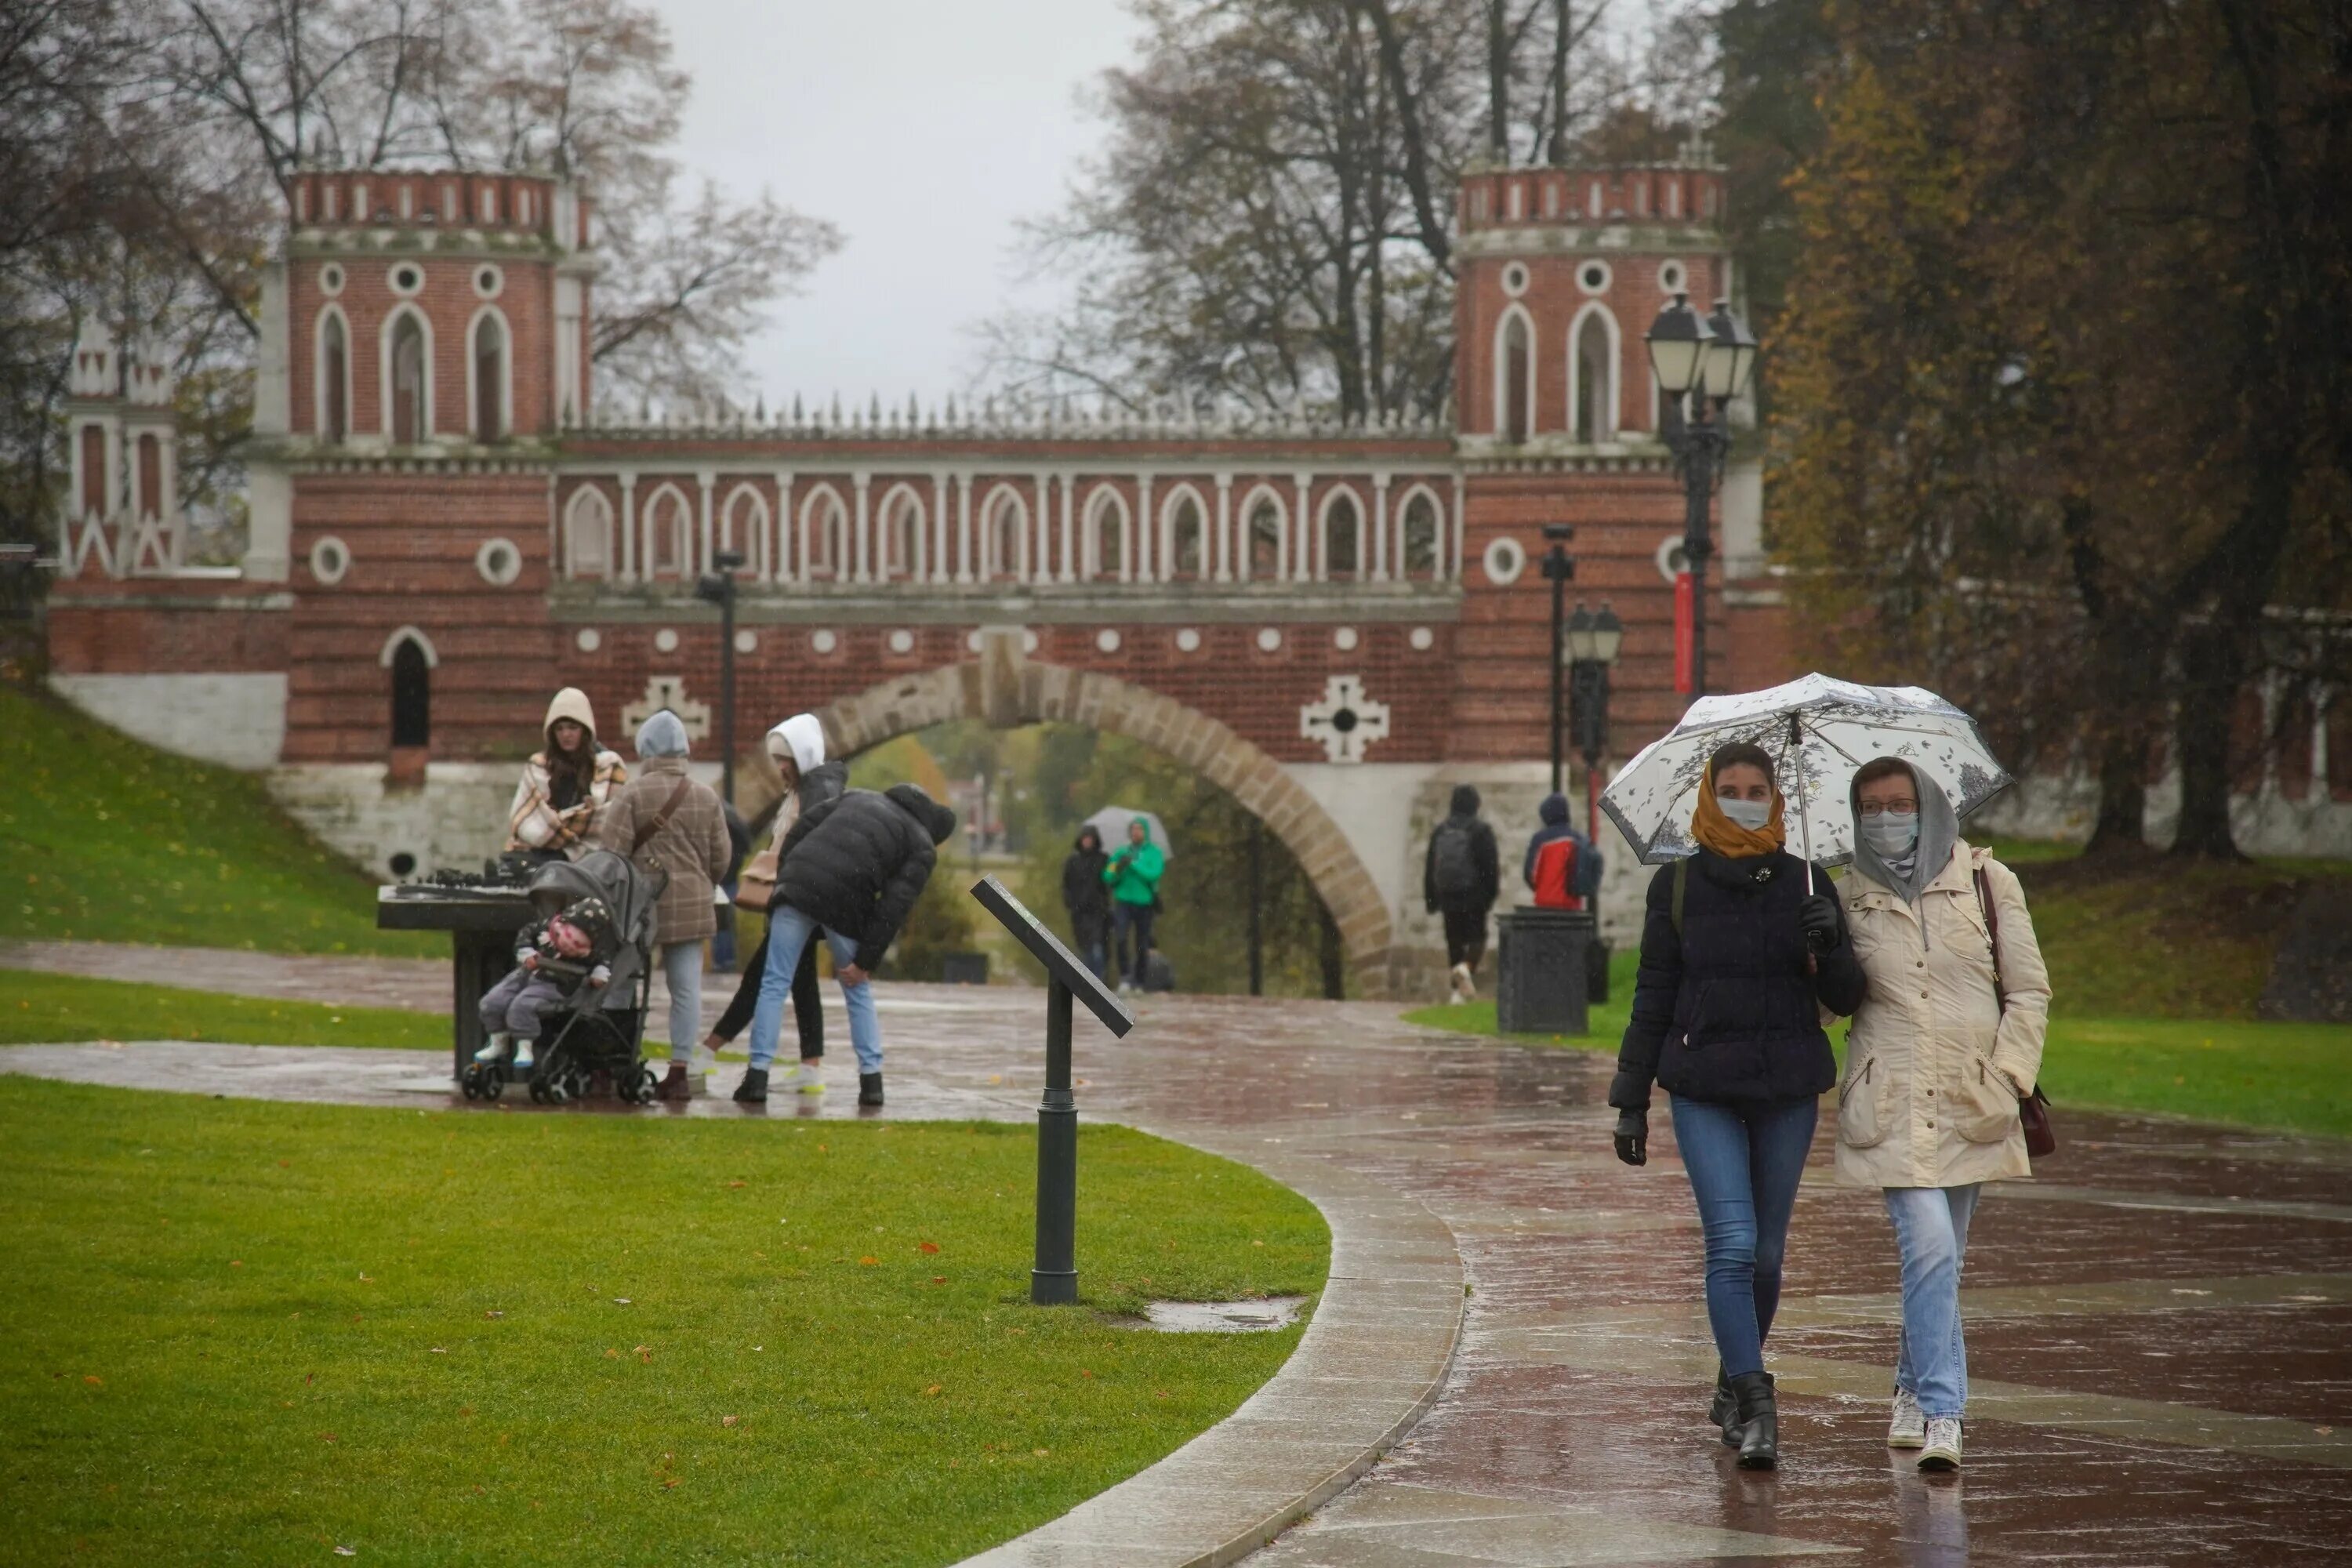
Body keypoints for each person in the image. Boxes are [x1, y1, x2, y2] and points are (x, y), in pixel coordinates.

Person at [1606, 742, 1865, 1470]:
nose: (1744, 799)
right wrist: (1631, 1102)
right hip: (1703, 1088)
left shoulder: (1809, 882)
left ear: (1778, 798)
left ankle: (1732, 1377)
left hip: (1787, 1086)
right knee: (1732, 1242)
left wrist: (1832, 944)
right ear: (1708, 796)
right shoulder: (1679, 887)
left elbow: (1847, 998)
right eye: (1730, 789)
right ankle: (1757, 1403)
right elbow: (1653, 994)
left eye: (1757, 789)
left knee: (1768, 1252)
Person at [1836, 756, 2049, 1474]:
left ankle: (1906, 1385)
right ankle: (1943, 1412)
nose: (1885, 818)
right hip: (1890, 1101)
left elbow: (2029, 992)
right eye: (1870, 806)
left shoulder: (1990, 881)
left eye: (1898, 803)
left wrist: (2011, 1076)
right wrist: (1812, 949)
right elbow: (1832, 1000)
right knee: (1928, 1248)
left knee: (1943, 1261)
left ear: (1928, 807)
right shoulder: (1844, 892)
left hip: (1972, 1098)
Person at [739, 782, 956, 1107]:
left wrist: (789, 875)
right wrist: (865, 961)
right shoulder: (922, 845)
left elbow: (801, 829)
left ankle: (756, 1077)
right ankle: (871, 1084)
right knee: (857, 988)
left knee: (774, 982)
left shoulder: (858, 796)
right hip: (847, 901)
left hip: (797, 886)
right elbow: (893, 907)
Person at [593, 710, 732, 1102]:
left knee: (621, 984)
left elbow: (613, 857)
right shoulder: (706, 796)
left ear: (646, 750)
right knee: (685, 989)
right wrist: (696, 879)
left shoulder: (632, 795)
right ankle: (680, 1072)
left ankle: (617, 1061)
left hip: (639, 908)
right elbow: (721, 860)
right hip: (690, 905)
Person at [705, 715, 845, 1093]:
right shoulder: (802, 793)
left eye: (787, 759)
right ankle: (811, 1067)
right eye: (777, 759)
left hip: (796, 901)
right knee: (800, 982)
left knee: (759, 980)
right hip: (792, 899)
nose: (781, 767)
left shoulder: (814, 793)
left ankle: (712, 1053)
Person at [471, 895, 619, 1073]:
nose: (569, 946)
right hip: (528, 973)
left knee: (521, 1005)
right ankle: (498, 1042)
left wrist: (599, 974)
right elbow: (527, 932)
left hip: (557, 983)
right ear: (563, 926)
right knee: (492, 1002)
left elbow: (603, 962)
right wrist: (526, 952)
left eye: (578, 944)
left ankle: (525, 1047)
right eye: (569, 937)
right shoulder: (547, 929)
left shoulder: (592, 953)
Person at [505, 688, 627, 859]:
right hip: (540, 856)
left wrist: (566, 821)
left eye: (573, 728)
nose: (566, 735)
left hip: (591, 861)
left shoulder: (608, 767)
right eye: (559, 729)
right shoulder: (539, 767)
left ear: (584, 730)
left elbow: (612, 819)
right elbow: (525, 818)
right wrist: (576, 820)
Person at [1424, 785, 1500, 1002]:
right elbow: (1490, 867)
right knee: (1477, 940)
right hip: (1474, 896)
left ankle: (1457, 993)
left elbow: (1430, 867)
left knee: (1454, 942)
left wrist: (1431, 899)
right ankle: (1466, 970)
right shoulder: (1481, 831)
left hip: (1447, 896)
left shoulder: (1441, 831)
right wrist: (1489, 896)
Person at [1102, 818, 1163, 994]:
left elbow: (1154, 874)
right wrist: (1119, 869)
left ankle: (1139, 980)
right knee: (1121, 938)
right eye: (1134, 829)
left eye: (1140, 829)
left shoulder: (1153, 853)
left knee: (1142, 943)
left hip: (1144, 904)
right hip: (1123, 902)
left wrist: (1134, 865)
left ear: (1145, 832)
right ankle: (1125, 976)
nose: (1136, 832)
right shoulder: (1121, 852)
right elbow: (1108, 875)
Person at [1523, 791, 1601, 909]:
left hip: (1545, 905)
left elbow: (1530, 875)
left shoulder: (1540, 839)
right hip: (1572, 907)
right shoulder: (1579, 839)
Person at [1062, 825, 1112, 980]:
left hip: (1098, 911)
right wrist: (1070, 902)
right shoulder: (1073, 861)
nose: (1087, 842)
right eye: (1085, 838)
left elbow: (1109, 881)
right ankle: (1087, 980)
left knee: (1098, 946)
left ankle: (1098, 979)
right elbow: (1066, 884)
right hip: (1079, 911)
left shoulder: (1103, 860)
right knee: (1085, 947)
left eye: (1090, 839)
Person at [711, 798, 751, 973]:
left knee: (717, 921)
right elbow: (746, 843)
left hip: (717, 877)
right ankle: (727, 960)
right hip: (730, 876)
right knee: (727, 920)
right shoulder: (733, 819)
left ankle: (720, 960)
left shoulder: (714, 819)